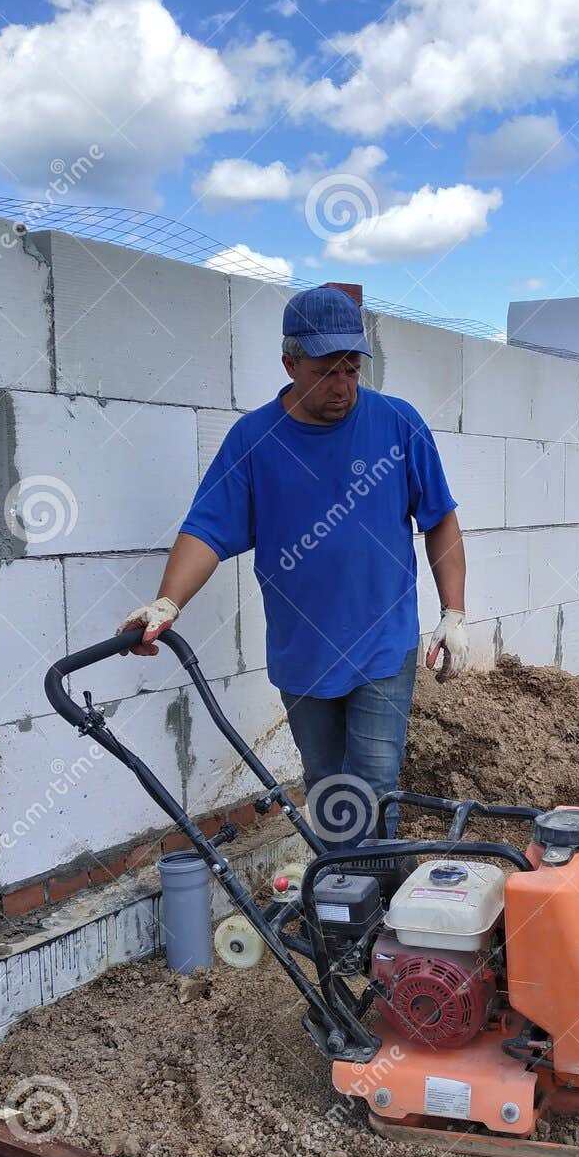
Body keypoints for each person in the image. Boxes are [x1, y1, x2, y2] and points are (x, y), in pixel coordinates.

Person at [117, 285, 468, 846]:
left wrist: (454, 612)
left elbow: (440, 520)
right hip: (303, 655)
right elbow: (206, 529)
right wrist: (167, 602)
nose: (344, 386)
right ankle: (343, 911)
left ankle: (377, 905)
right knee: (329, 791)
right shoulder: (254, 441)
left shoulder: (398, 425)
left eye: (353, 369)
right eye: (328, 371)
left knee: (374, 786)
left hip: (384, 645)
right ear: (289, 363)